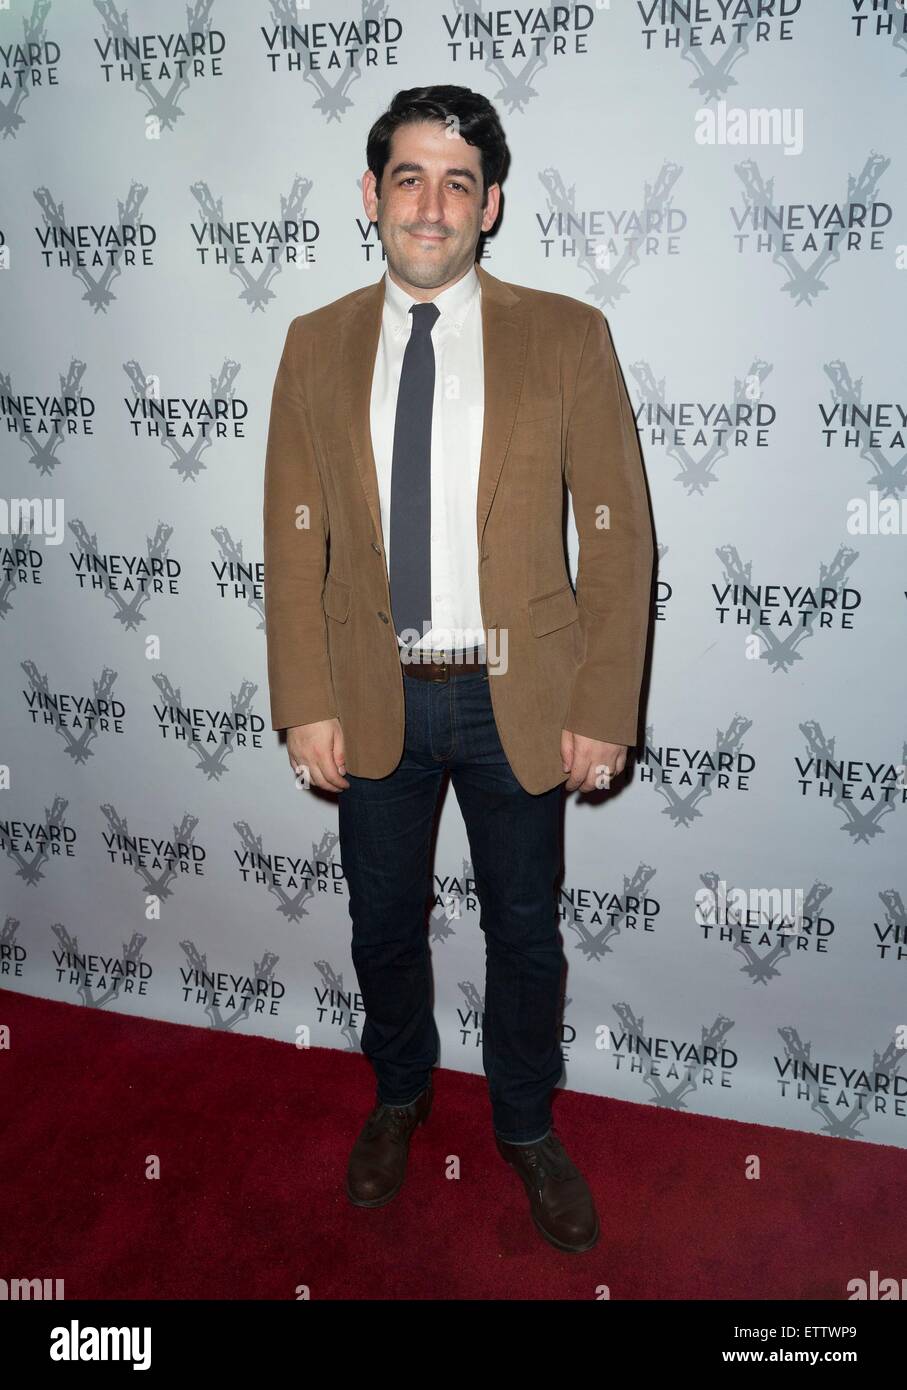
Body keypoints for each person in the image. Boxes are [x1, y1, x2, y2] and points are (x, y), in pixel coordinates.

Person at [263, 85, 654, 1254]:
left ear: (490, 206)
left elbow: (619, 531)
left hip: (514, 694)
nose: (430, 204)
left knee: (525, 934)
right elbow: (292, 539)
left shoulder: (566, 332)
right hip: (371, 690)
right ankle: (399, 1094)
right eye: (409, 177)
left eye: (457, 181)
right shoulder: (314, 341)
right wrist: (304, 701)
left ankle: (525, 1123)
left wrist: (600, 703)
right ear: (371, 195)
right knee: (382, 923)